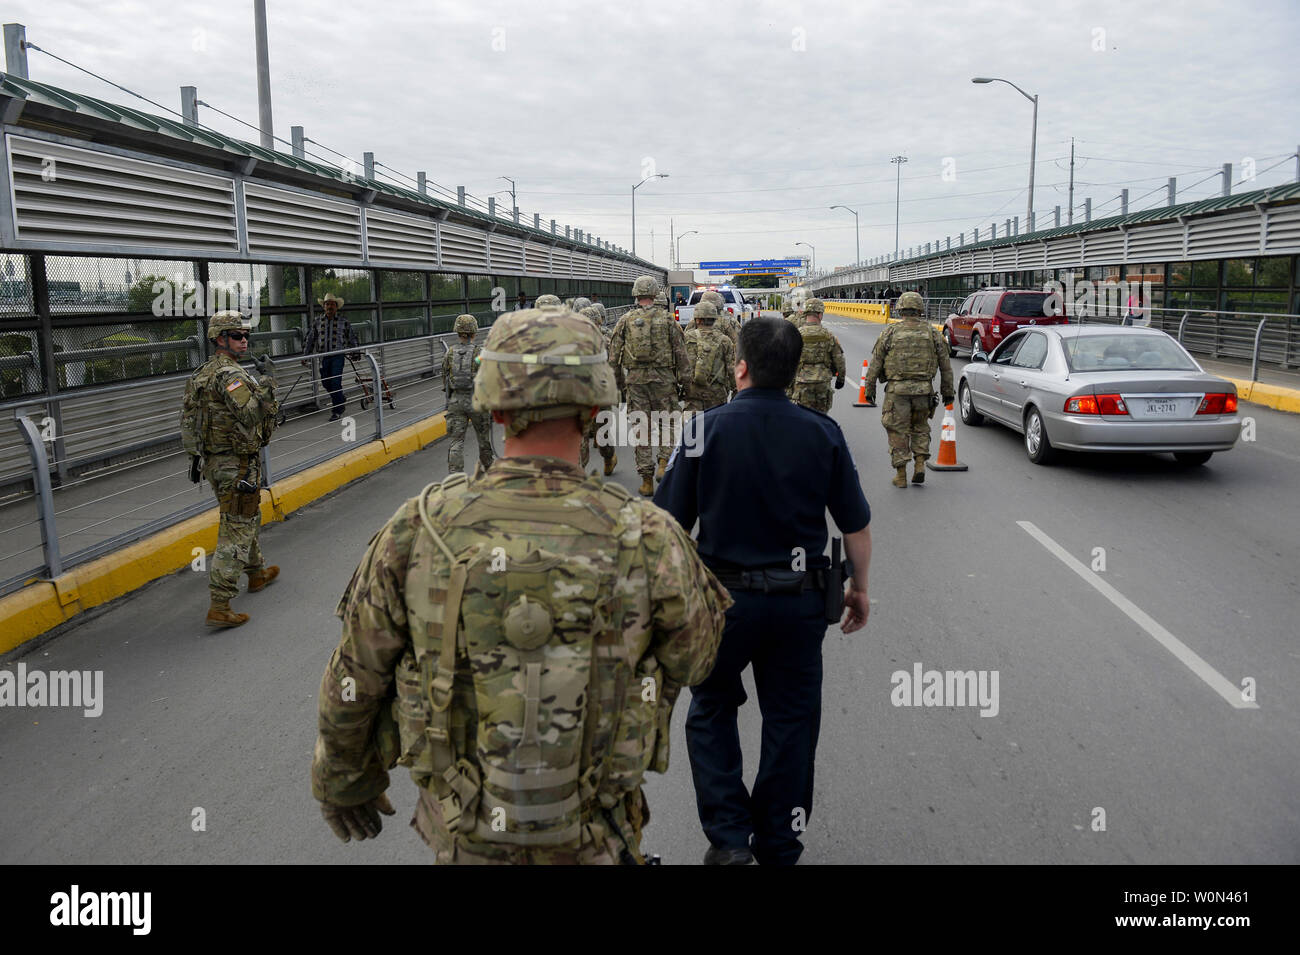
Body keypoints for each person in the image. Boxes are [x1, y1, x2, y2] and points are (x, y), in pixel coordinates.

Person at [310, 306, 731, 864]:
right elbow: (696, 660)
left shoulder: (419, 527)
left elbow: (354, 677)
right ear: (594, 404)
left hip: (463, 834)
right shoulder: (649, 533)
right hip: (596, 836)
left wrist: (343, 779)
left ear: (494, 404)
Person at [654, 316, 872, 866]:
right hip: (800, 604)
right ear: (796, 373)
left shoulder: (705, 429)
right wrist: (860, 590)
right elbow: (855, 527)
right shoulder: (822, 432)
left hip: (721, 604)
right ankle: (779, 841)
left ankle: (729, 837)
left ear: (741, 366)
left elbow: (667, 527)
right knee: (792, 720)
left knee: (710, 709)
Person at [180, 311, 280, 628]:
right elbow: (250, 415)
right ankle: (220, 603)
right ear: (220, 339)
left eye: (245, 335)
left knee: (245, 516)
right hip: (236, 464)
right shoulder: (229, 376)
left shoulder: (202, 373)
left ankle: (257, 572)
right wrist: (267, 383)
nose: (244, 341)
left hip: (214, 462)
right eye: (237, 336)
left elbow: (191, 420)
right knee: (236, 527)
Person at [608, 275, 689, 496]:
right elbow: (681, 354)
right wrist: (685, 381)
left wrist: (618, 384)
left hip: (635, 381)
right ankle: (663, 461)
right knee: (668, 423)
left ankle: (646, 481)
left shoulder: (625, 320)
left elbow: (613, 357)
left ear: (636, 294)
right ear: (654, 294)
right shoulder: (668, 319)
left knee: (641, 427)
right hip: (664, 380)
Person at [866, 291, 954, 487]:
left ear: (901, 309)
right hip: (924, 392)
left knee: (897, 430)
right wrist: (948, 393)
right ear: (920, 309)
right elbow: (945, 366)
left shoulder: (890, 332)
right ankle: (920, 464)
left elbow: (876, 364)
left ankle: (901, 474)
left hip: (898, 392)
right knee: (920, 427)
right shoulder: (933, 333)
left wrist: (869, 389)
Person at [442, 313, 495, 474]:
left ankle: (455, 477)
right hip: (477, 401)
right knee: (483, 440)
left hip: (456, 402)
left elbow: (444, 376)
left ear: (457, 332)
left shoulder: (450, 352)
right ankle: (490, 471)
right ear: (474, 332)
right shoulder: (481, 353)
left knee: (456, 442)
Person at [302, 292, 360, 422]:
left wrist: (355, 351)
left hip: (338, 355)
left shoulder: (343, 321)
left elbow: (351, 336)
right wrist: (305, 355)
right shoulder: (317, 321)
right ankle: (339, 398)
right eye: (327, 304)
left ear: (336, 307)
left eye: (332, 304)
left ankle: (337, 410)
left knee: (335, 382)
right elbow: (310, 338)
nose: (330, 307)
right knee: (325, 382)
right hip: (324, 357)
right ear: (323, 306)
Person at [577, 303, 618, 475]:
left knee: (581, 435)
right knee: (603, 431)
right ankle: (608, 459)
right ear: (598, 322)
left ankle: (579, 470)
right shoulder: (606, 341)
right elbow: (614, 365)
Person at [787, 299, 846, 413]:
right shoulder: (828, 336)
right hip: (822, 383)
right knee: (821, 418)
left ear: (806, 314)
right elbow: (839, 359)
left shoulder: (797, 335)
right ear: (820, 315)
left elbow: (788, 361)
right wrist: (841, 379)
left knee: (803, 417)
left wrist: (788, 385)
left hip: (802, 382)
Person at [682, 300, 735, 418]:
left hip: (693, 392)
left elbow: (680, 364)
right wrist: (736, 393)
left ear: (697, 319)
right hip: (717, 393)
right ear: (714, 319)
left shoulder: (686, 338)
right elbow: (731, 369)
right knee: (716, 430)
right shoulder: (725, 341)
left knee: (693, 431)